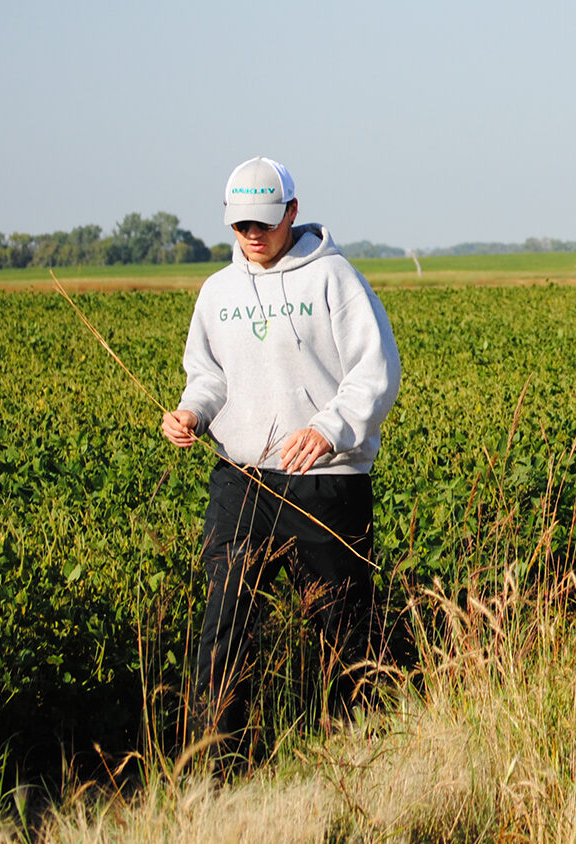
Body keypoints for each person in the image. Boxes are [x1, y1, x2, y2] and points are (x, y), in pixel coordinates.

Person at [159, 157, 402, 768]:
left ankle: (364, 759)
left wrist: (327, 429)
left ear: (292, 212)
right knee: (223, 629)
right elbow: (208, 375)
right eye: (240, 224)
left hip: (326, 481)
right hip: (240, 478)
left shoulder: (335, 278)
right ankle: (214, 774)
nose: (252, 235)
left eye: (263, 222)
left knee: (344, 630)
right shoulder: (217, 291)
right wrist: (191, 412)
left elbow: (377, 373)